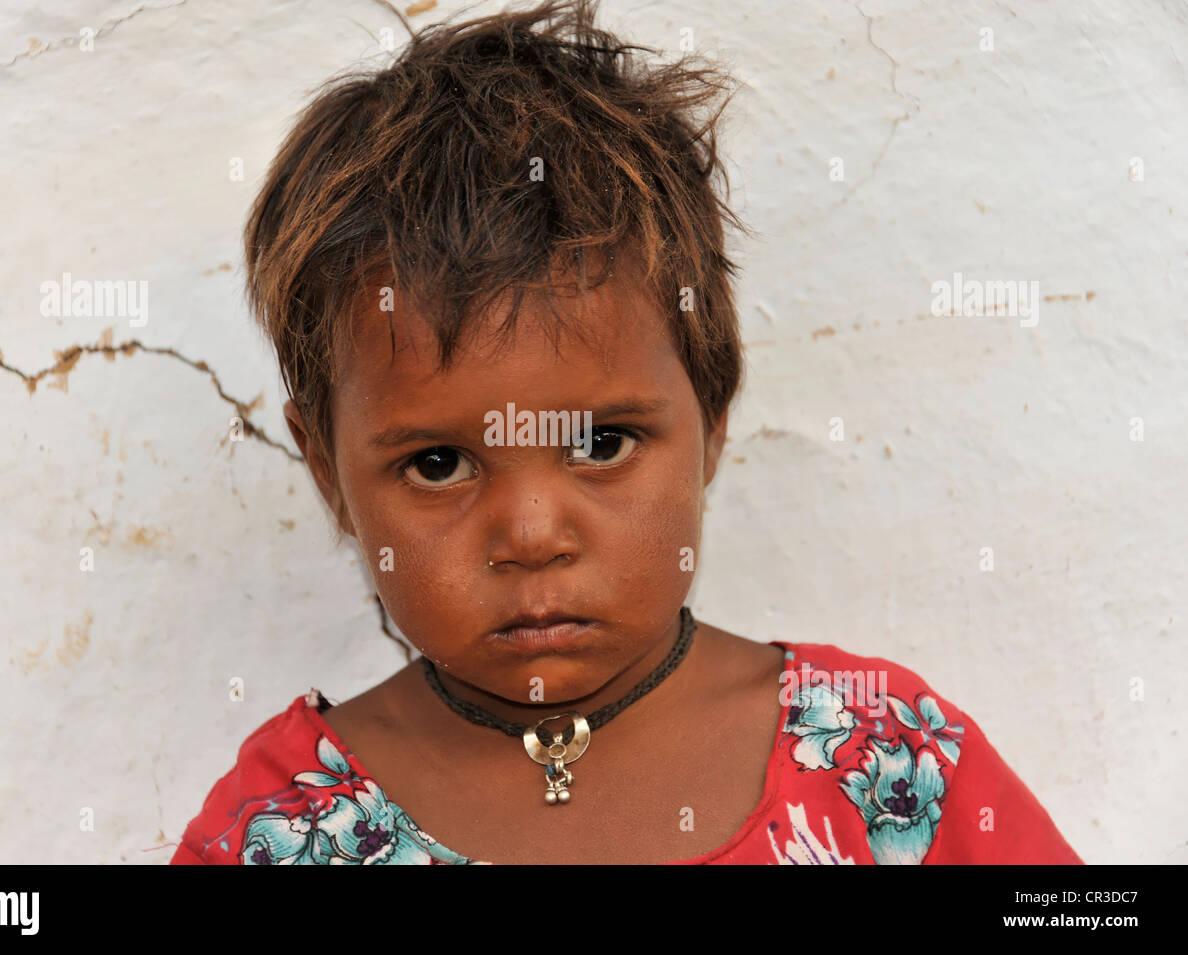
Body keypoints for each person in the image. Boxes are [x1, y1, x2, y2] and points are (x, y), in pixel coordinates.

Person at [171, 0, 1082, 865]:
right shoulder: (281, 827)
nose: (532, 534)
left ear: (713, 417)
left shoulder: (885, 760)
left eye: (602, 444)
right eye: (439, 463)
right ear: (328, 472)